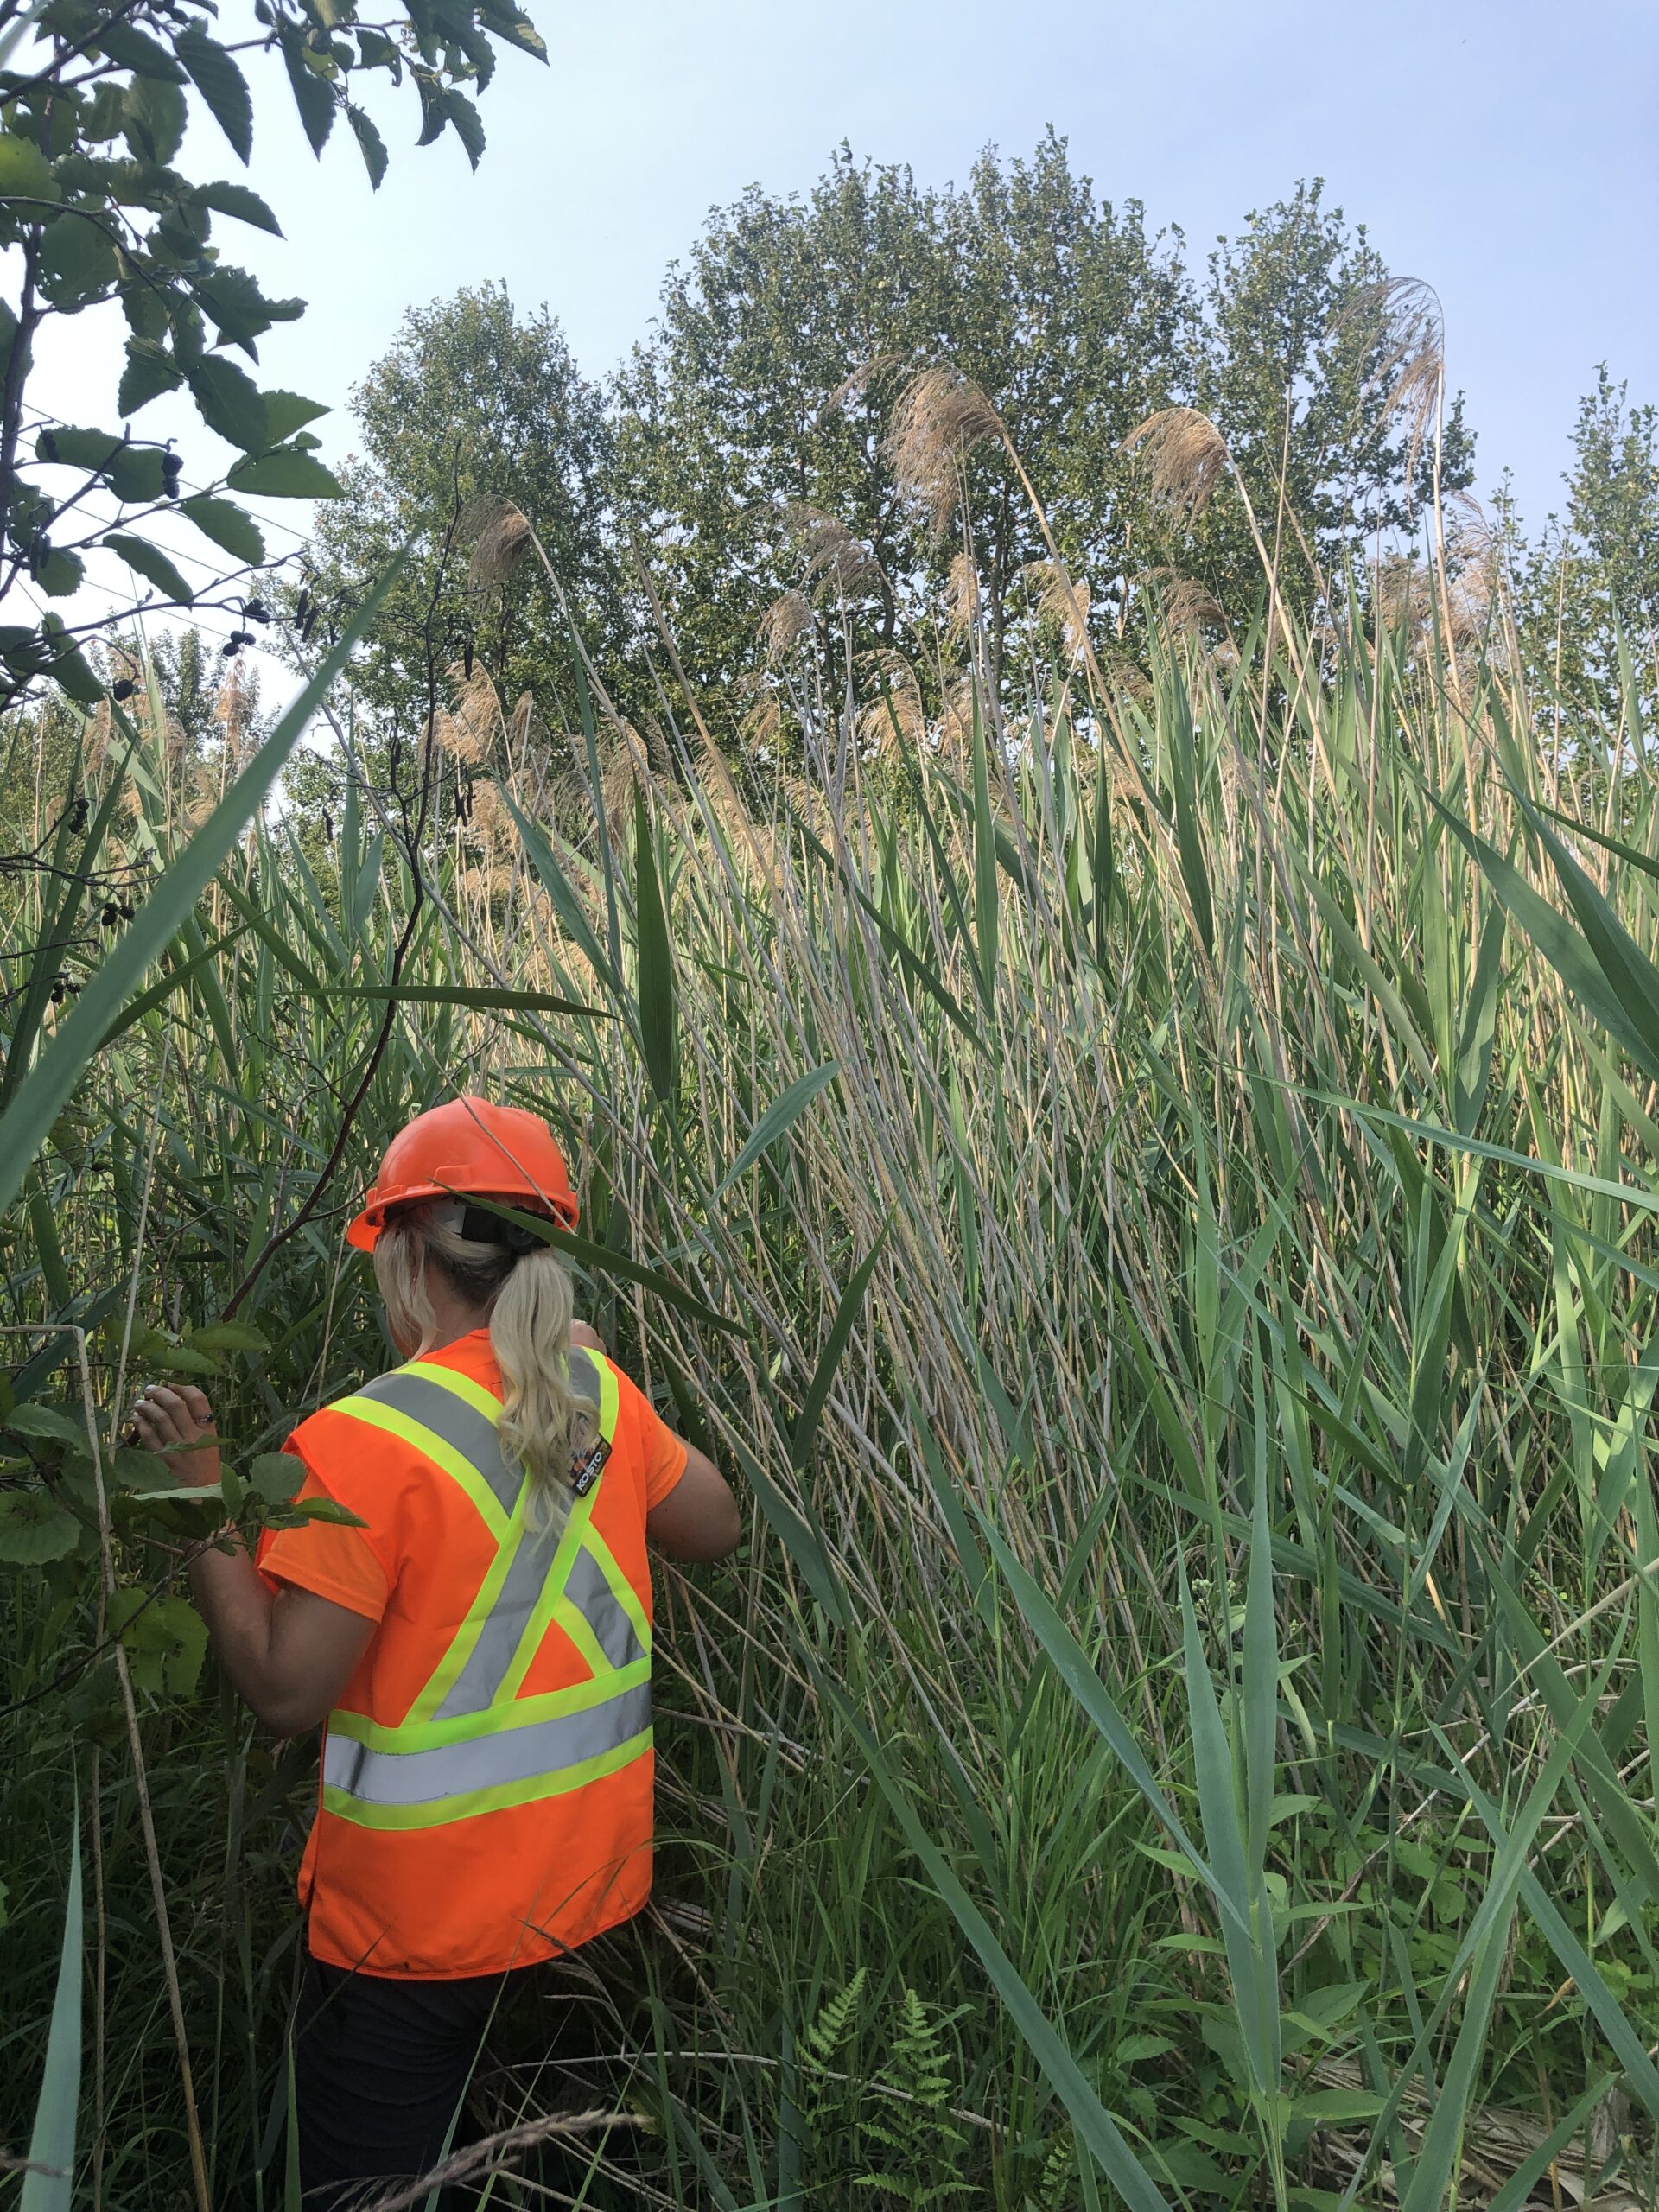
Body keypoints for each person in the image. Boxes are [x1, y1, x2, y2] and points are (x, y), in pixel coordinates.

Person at [132, 1096, 741, 2208]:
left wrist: (200, 1507)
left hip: (408, 1949)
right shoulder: (592, 1398)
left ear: (408, 1251)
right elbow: (717, 1524)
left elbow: (282, 1686)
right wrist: (601, 1385)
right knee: (563, 2184)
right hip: (591, 1910)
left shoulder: (368, 1440)